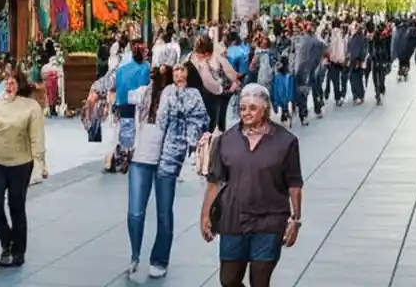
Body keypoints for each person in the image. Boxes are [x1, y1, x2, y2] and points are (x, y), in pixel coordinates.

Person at [201, 84, 303, 287]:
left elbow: (294, 184)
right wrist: (205, 215)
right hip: (233, 218)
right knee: (228, 280)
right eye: (242, 108)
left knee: (260, 280)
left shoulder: (286, 141)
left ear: (265, 108)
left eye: (252, 108)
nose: (246, 113)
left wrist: (295, 220)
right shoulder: (226, 140)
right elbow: (215, 181)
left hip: (270, 220)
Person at [127, 63, 207, 279]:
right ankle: (135, 255)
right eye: (174, 71)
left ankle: (159, 259)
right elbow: (122, 95)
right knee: (135, 212)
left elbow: (199, 120)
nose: (177, 75)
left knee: (164, 212)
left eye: (181, 70)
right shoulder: (146, 92)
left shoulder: (190, 95)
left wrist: (187, 142)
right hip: (141, 156)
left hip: (168, 158)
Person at [0, 69, 47, 268]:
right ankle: (6, 239)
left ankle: (18, 251)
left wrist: (39, 163)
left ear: (20, 84)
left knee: (16, 207)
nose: (8, 85)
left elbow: (37, 138)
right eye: (5, 81)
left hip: (21, 163)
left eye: (12, 82)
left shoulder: (31, 107)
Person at [110, 43, 152, 173]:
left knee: (124, 127)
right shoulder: (145, 67)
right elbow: (144, 86)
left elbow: (116, 84)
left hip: (122, 100)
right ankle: (130, 154)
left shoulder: (122, 68)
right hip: (135, 100)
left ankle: (123, 152)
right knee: (135, 127)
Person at [292, 23, 325, 126]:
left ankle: (304, 114)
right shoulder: (318, 41)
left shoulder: (298, 40)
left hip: (301, 70)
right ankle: (317, 109)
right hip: (312, 70)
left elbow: (292, 54)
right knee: (315, 91)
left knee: (303, 93)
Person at [346, 21, 368, 105]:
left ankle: (357, 95)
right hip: (356, 61)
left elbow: (357, 50)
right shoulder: (357, 37)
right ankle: (359, 95)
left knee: (355, 79)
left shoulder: (357, 38)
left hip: (355, 61)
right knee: (357, 79)